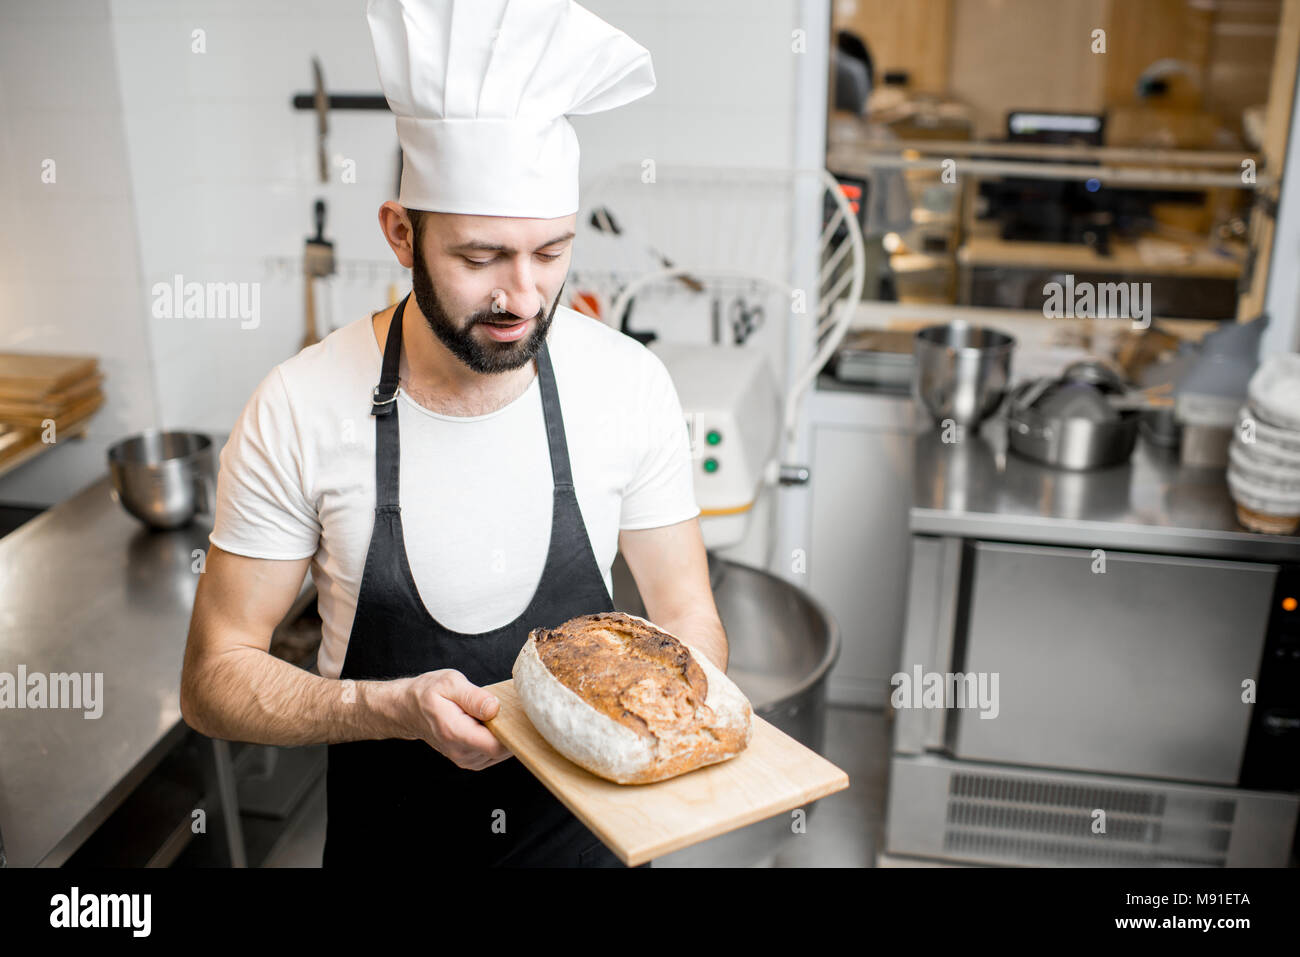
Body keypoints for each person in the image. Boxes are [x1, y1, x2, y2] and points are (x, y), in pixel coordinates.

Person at [180, 0, 729, 868]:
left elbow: (688, 612)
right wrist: (386, 708)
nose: (522, 297)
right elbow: (213, 679)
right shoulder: (299, 405)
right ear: (401, 232)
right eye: (480, 259)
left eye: (550, 253)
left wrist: (665, 724)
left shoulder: (628, 385)